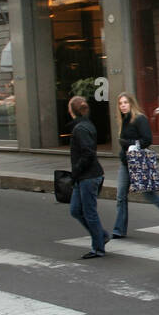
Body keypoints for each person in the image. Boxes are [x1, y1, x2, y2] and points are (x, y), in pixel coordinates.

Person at [111, 92, 159, 239]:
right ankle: (119, 229)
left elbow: (147, 139)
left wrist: (129, 143)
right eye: (120, 103)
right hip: (125, 163)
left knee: (149, 195)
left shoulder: (140, 119)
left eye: (125, 103)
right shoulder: (123, 120)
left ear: (131, 103)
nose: (123, 106)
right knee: (120, 196)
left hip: (138, 162)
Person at [68, 95, 108, 259]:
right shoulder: (84, 125)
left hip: (88, 177)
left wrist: (76, 171)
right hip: (85, 176)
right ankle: (101, 235)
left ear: (72, 110)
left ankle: (98, 248)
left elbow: (88, 153)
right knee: (76, 210)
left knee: (89, 212)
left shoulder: (81, 128)